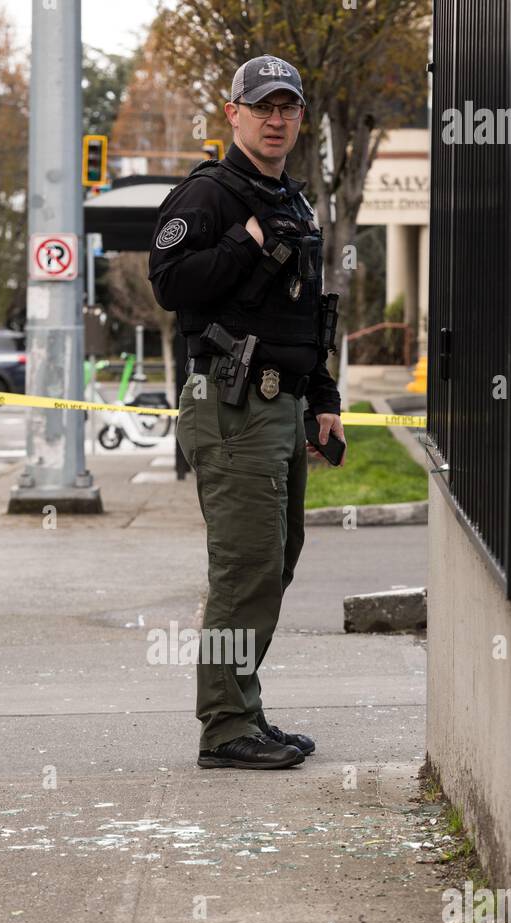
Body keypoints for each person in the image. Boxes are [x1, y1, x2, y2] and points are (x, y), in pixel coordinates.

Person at [148, 54, 346, 771]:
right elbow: (171, 284)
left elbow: (309, 318)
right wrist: (245, 240)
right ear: (232, 112)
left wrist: (323, 402)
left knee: (275, 560)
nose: (276, 118)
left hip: (283, 406)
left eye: (287, 107)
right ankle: (225, 727)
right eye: (262, 106)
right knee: (244, 567)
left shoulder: (293, 201)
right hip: (230, 405)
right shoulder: (209, 196)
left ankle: (245, 709)